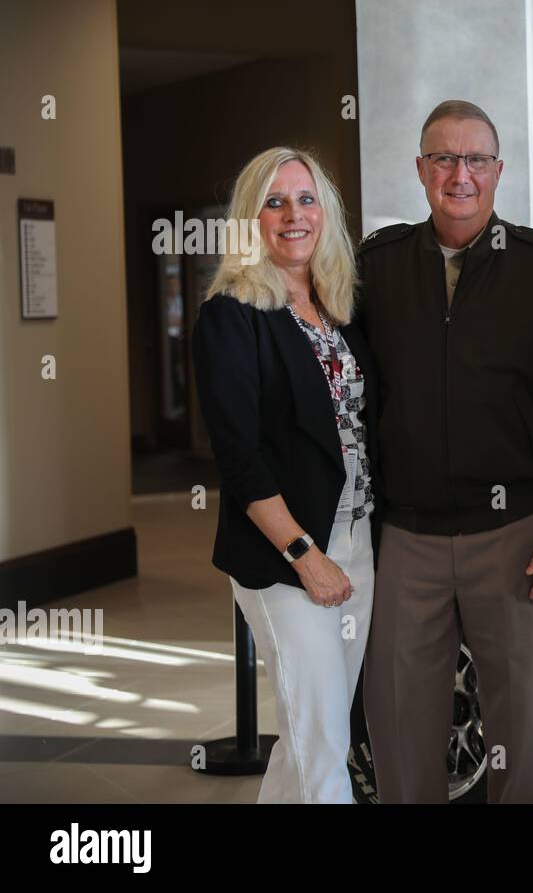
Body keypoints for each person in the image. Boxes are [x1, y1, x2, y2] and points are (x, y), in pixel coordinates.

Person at [357, 100, 533, 804]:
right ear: (420, 170)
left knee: (519, 744)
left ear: (499, 171)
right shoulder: (375, 268)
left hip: (518, 537)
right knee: (400, 735)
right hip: (406, 538)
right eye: (443, 158)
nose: (460, 174)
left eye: (475, 159)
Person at [192, 147, 380, 803]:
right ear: (251, 220)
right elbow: (240, 458)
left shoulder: (340, 309)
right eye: (274, 201)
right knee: (322, 746)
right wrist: (304, 554)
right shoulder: (231, 315)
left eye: (305, 199)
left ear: (325, 212)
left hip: (357, 542)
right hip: (285, 557)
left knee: (314, 739)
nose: (292, 214)